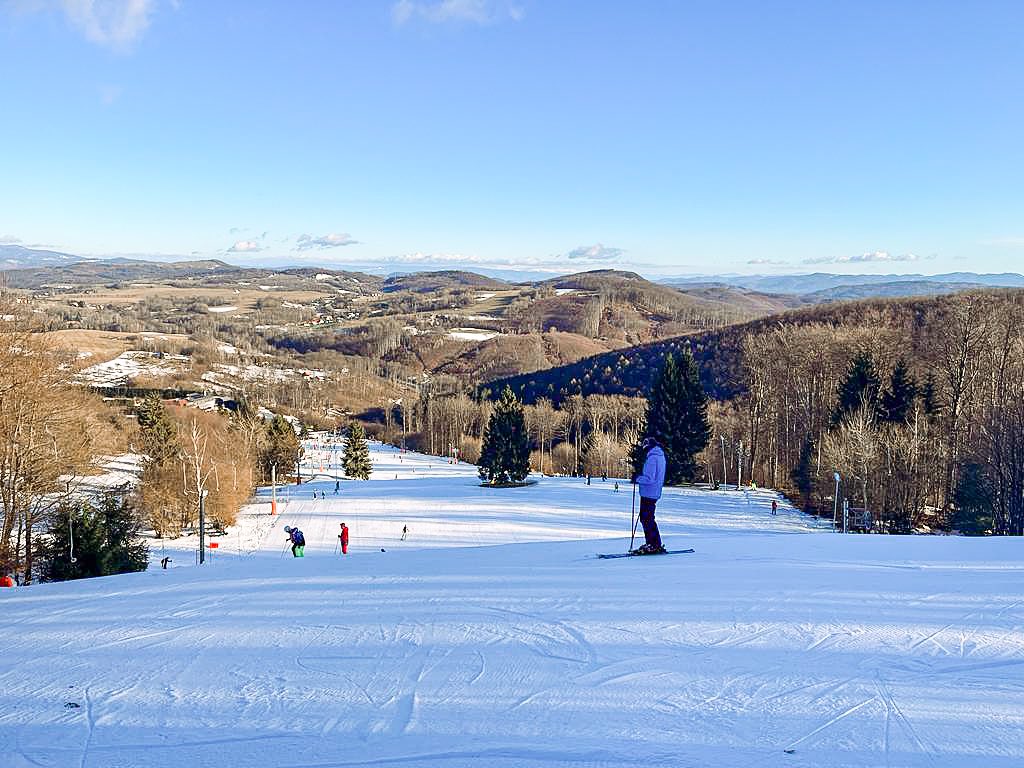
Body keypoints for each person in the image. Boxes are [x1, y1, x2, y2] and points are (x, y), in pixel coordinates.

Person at [633, 436, 667, 554]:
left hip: (649, 492)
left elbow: (649, 478)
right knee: (647, 518)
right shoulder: (660, 456)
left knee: (647, 518)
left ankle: (654, 544)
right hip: (654, 492)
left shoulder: (653, 458)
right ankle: (652, 543)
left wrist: (638, 478)